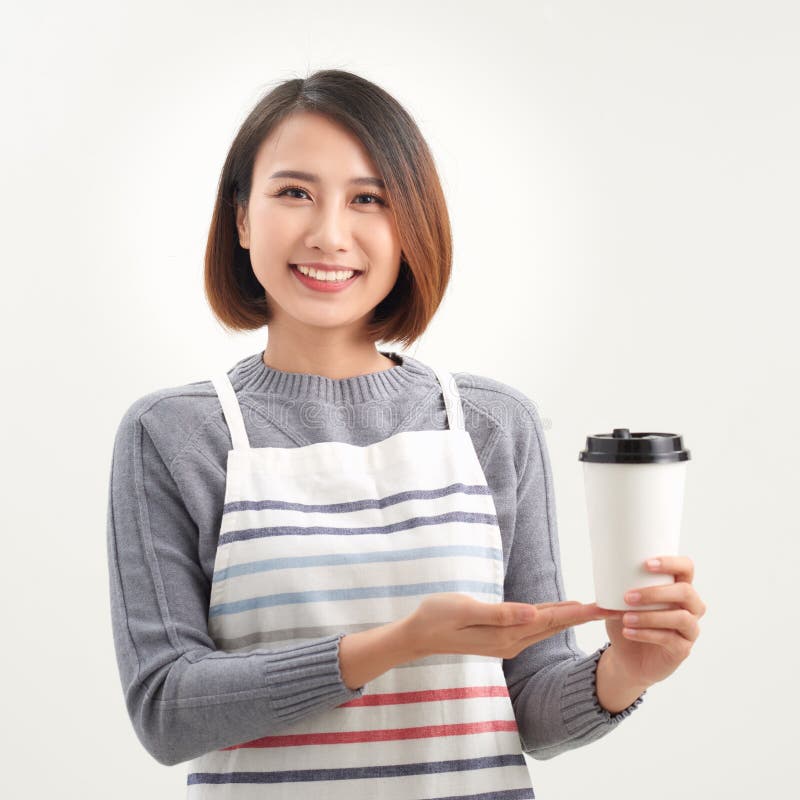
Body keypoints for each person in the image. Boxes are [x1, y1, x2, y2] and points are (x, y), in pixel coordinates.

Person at [106, 69, 706, 797]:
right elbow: (166, 710)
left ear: (410, 224)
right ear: (240, 217)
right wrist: (397, 645)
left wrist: (623, 674)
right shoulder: (175, 434)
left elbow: (526, 709)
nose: (329, 234)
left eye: (369, 200)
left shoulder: (488, 422)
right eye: (295, 193)